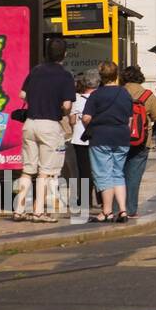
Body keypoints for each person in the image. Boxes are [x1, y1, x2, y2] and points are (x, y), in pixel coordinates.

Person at [15, 37, 76, 222]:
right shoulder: (65, 75)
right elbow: (66, 105)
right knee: (45, 170)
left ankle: (19, 209)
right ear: (64, 54)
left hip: (30, 124)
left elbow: (22, 94)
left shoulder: (36, 70)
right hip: (49, 125)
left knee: (28, 169)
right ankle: (38, 212)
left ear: (45, 53)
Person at [82, 61, 134, 223]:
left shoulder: (96, 95)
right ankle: (123, 210)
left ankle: (106, 211)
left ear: (101, 77)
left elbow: (86, 118)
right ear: (116, 75)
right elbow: (130, 120)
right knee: (118, 173)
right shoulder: (125, 94)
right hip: (122, 137)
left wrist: (89, 126)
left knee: (103, 174)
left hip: (101, 138)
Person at [119, 65, 156, 220]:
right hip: (141, 141)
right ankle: (130, 209)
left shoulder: (119, 92)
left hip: (119, 139)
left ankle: (116, 208)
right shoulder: (147, 95)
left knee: (117, 174)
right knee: (134, 176)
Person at [63, 77, 97, 217]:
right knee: (97, 169)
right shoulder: (99, 98)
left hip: (79, 139)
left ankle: (84, 200)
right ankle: (101, 199)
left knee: (83, 171)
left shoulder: (76, 100)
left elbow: (71, 120)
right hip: (96, 138)